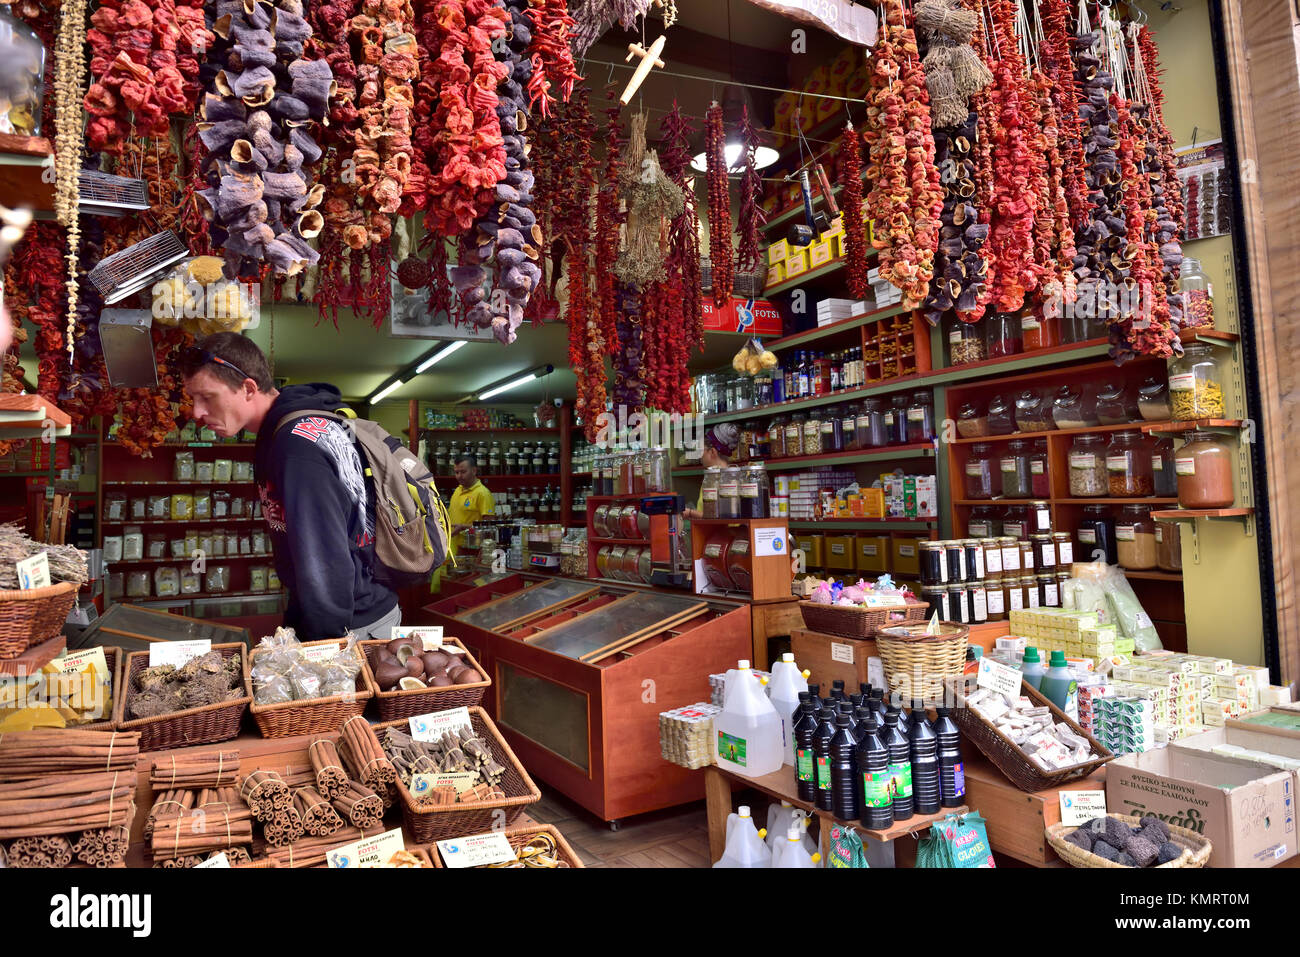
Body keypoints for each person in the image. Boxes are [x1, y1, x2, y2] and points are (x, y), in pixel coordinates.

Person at [180, 332, 400, 641]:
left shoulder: (295, 446)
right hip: (350, 613)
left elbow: (325, 560)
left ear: (248, 388)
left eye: (207, 397)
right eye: (192, 399)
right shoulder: (291, 430)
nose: (196, 413)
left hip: (351, 627)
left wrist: (325, 650)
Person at [682, 424, 739, 521]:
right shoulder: (736, 476)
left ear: (712, 452)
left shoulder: (715, 480)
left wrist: (690, 513)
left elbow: (718, 517)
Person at [449, 453, 495, 548]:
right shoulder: (458, 490)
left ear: (474, 471)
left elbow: (489, 526)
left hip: (472, 547)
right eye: (456, 472)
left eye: (463, 472)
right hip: (453, 546)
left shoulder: (483, 493)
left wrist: (463, 527)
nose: (459, 476)